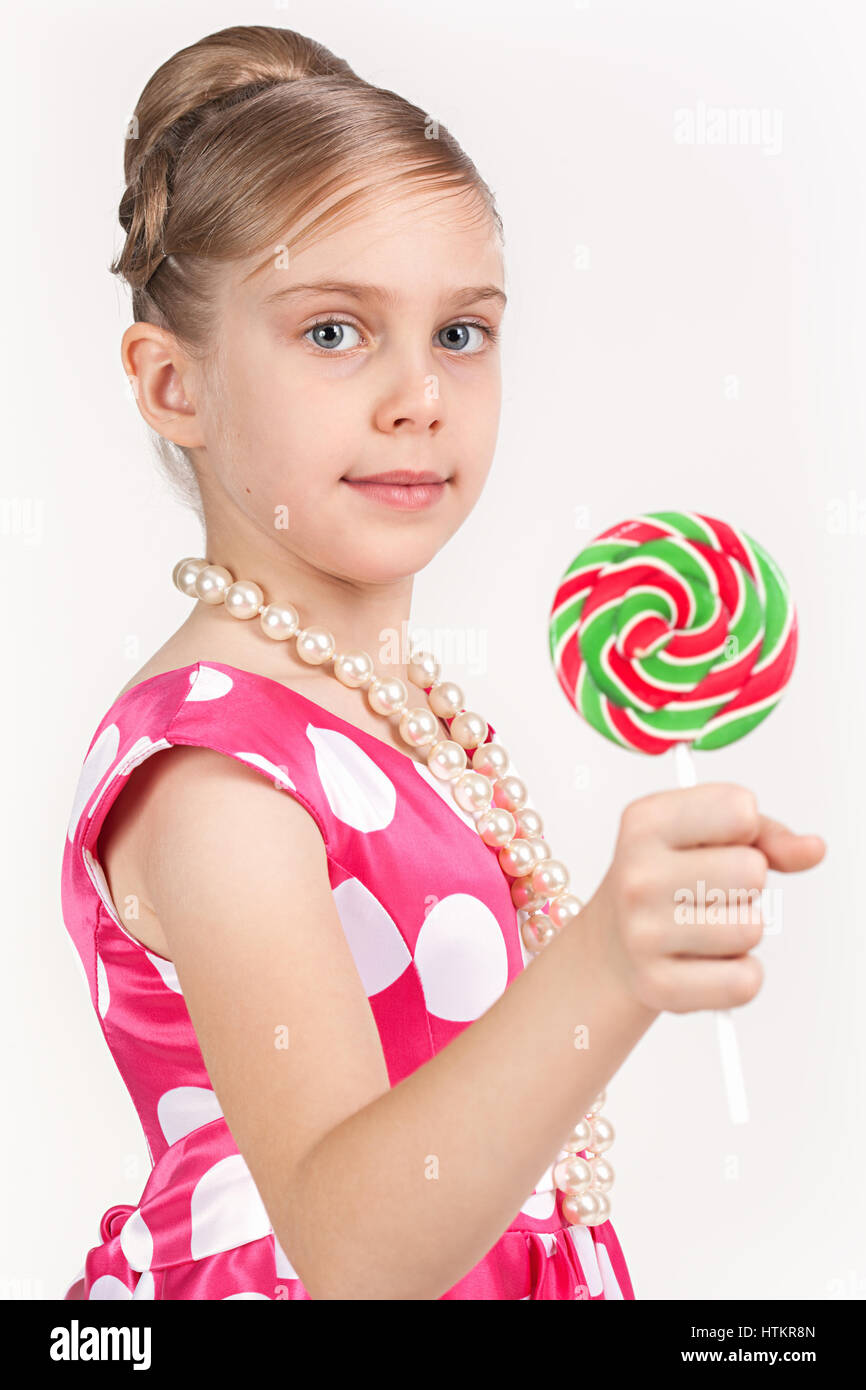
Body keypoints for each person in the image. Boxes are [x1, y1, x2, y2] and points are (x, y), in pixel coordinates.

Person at [60, 23, 826, 1301]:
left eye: (460, 333)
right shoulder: (218, 779)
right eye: (332, 333)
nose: (418, 394)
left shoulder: (384, 714)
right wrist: (602, 965)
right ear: (170, 382)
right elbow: (349, 1248)